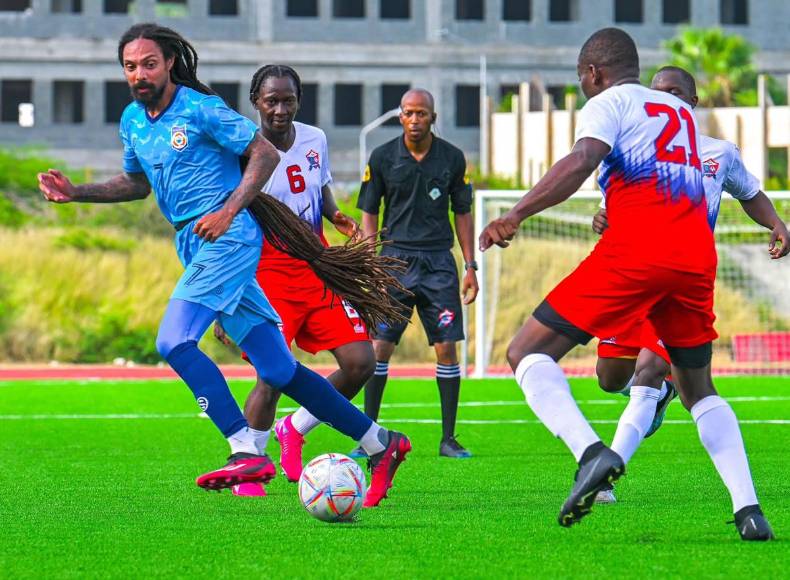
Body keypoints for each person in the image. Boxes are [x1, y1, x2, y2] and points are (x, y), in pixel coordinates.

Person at [37, 23, 410, 508]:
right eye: (130, 66)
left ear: (170, 62)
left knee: (172, 340)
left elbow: (264, 154)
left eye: (149, 63)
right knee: (278, 368)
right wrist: (77, 192)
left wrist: (230, 209)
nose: (139, 73)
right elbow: (136, 183)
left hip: (229, 236)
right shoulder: (132, 119)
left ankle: (242, 447)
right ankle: (381, 443)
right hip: (193, 243)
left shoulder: (200, 108)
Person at [479, 28, 774, 540]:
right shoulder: (678, 113)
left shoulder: (610, 101)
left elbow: (580, 162)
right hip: (694, 259)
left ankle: (592, 453)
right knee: (697, 389)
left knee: (525, 351)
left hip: (638, 251)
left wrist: (516, 213)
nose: (585, 87)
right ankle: (749, 511)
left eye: (582, 78)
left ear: (594, 73)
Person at [590, 65, 790, 504]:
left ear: (693, 103)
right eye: (658, 93)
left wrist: (776, 222)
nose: (666, 100)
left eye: (676, 93)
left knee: (648, 372)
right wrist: (602, 217)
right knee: (610, 377)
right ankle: (660, 396)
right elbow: (612, 204)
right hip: (632, 276)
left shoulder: (718, 152)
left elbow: (750, 193)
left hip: (684, 281)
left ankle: (603, 478)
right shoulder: (631, 149)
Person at [215, 64, 375, 497]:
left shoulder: (315, 139)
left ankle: (296, 427)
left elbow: (319, 188)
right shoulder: (240, 151)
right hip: (264, 269)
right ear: (256, 103)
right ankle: (249, 466)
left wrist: (334, 214)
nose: (280, 109)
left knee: (361, 362)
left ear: (298, 101)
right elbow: (229, 221)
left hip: (316, 265)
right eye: (272, 100)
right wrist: (225, 294)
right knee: (271, 375)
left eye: (288, 100)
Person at [353, 88, 479, 459]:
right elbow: (369, 209)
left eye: (421, 113)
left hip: (439, 263)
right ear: (400, 116)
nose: (414, 119)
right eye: (408, 113)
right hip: (394, 262)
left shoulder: (453, 159)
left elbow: (464, 213)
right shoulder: (382, 157)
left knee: (446, 348)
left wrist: (470, 265)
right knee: (380, 347)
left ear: (432, 118)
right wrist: (370, 258)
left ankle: (449, 439)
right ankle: (369, 435)